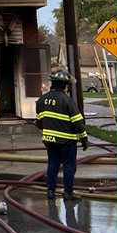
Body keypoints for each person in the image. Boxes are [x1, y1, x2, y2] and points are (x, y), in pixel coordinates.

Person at [35, 69, 88, 201]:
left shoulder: (42, 100)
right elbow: (77, 122)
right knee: (69, 166)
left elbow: (39, 122)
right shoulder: (67, 101)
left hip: (49, 140)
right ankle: (68, 193)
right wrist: (84, 138)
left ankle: (51, 191)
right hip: (66, 141)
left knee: (53, 164)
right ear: (65, 85)